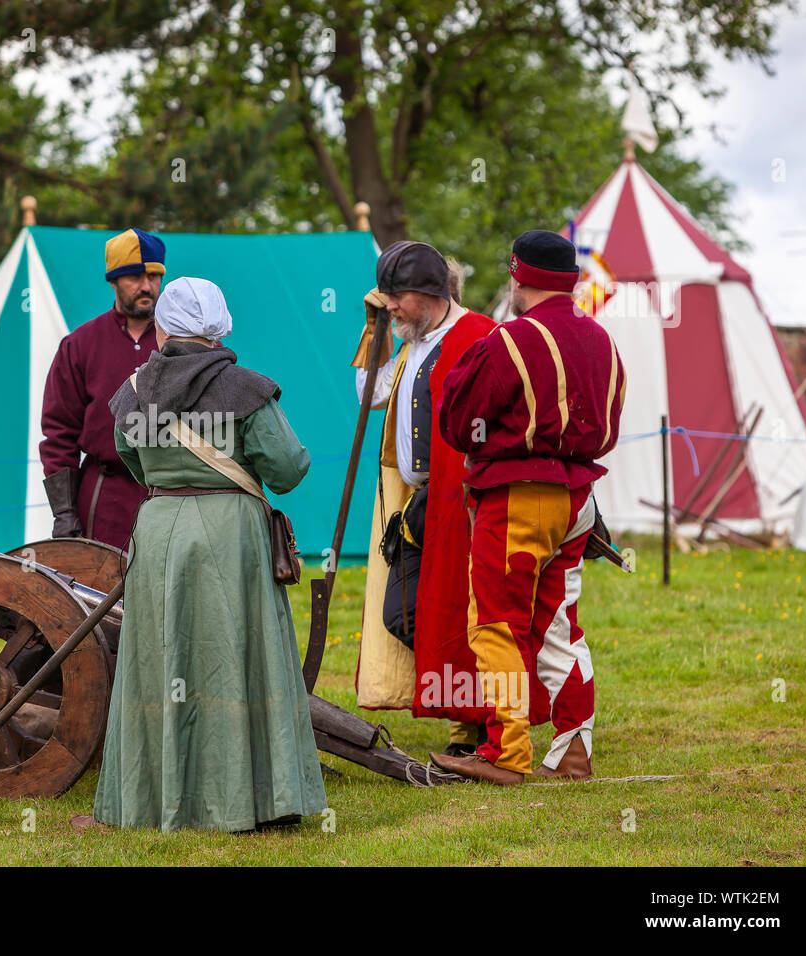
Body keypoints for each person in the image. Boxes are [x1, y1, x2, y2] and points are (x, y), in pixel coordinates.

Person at [93, 276, 327, 832]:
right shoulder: (246, 389)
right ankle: (249, 800)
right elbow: (288, 469)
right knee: (237, 659)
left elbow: (132, 460)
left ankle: (157, 801)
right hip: (230, 537)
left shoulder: (132, 392)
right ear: (221, 327)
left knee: (162, 660)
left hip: (158, 531)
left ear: (165, 327)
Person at [431, 230, 626, 786]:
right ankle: (573, 749)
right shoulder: (604, 341)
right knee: (562, 625)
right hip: (579, 499)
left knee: (497, 625)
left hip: (518, 498)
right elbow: (608, 422)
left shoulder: (509, 339)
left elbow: (458, 417)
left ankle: (506, 753)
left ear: (520, 277)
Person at [351, 242, 497, 756]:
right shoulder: (409, 341)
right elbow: (368, 395)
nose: (388, 304)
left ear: (428, 292)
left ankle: (473, 726)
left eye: (395, 297)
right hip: (417, 505)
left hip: (464, 503)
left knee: (460, 613)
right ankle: (472, 710)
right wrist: (374, 330)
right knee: (406, 616)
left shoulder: (479, 336)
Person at [40, 228, 166, 550]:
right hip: (104, 495)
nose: (146, 286)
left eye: (153, 276)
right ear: (113, 280)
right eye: (134, 277)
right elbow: (59, 432)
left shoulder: (183, 342)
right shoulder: (81, 345)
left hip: (170, 490)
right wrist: (64, 513)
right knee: (96, 595)